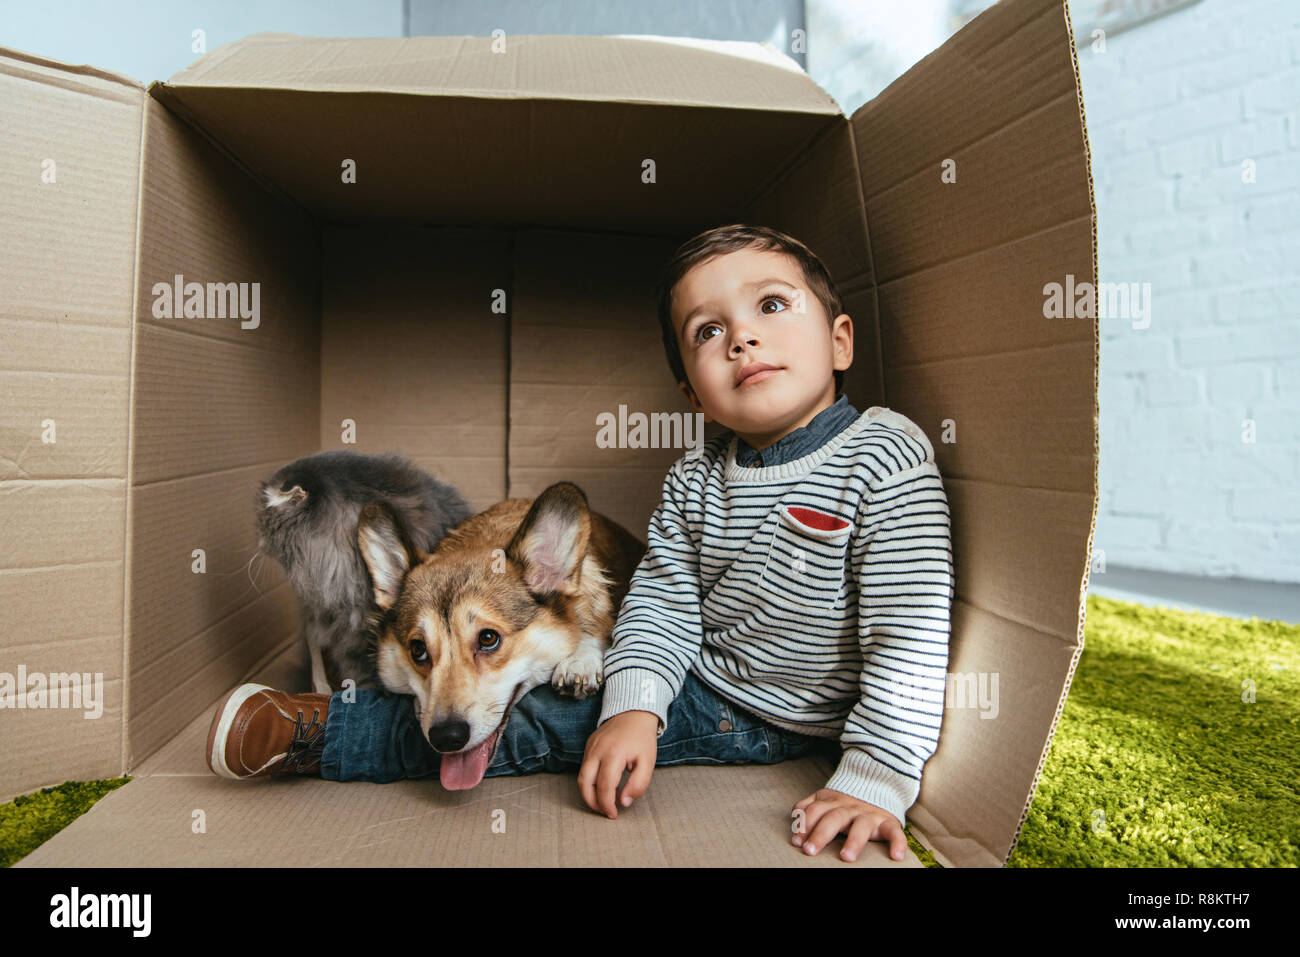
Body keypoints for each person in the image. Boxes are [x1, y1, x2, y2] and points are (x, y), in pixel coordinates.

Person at [206, 223, 954, 863]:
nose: (743, 336)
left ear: (841, 338)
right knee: (576, 712)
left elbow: (910, 632)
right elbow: (662, 602)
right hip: (693, 675)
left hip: (777, 710)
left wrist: (876, 774)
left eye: (770, 305)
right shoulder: (695, 476)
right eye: (708, 330)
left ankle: (326, 736)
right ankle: (332, 716)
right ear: (693, 394)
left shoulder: (883, 455)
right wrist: (633, 703)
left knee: (538, 728)